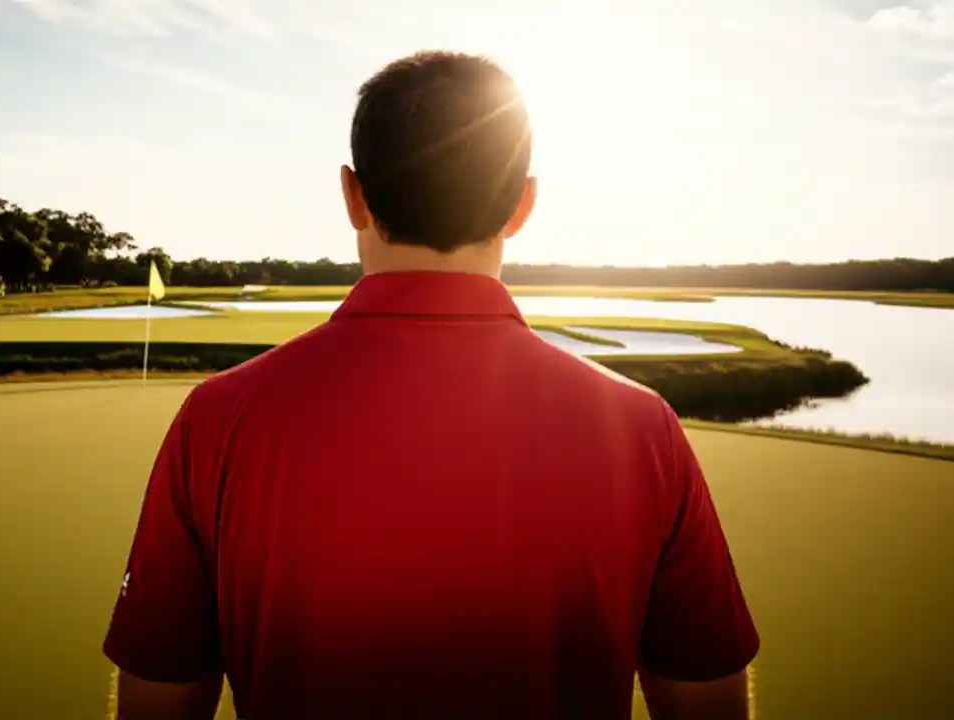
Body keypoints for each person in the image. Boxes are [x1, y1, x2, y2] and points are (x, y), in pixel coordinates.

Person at [104, 50, 758, 720]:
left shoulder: (217, 418)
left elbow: (157, 705)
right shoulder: (642, 427)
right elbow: (707, 702)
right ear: (522, 203)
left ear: (352, 195)